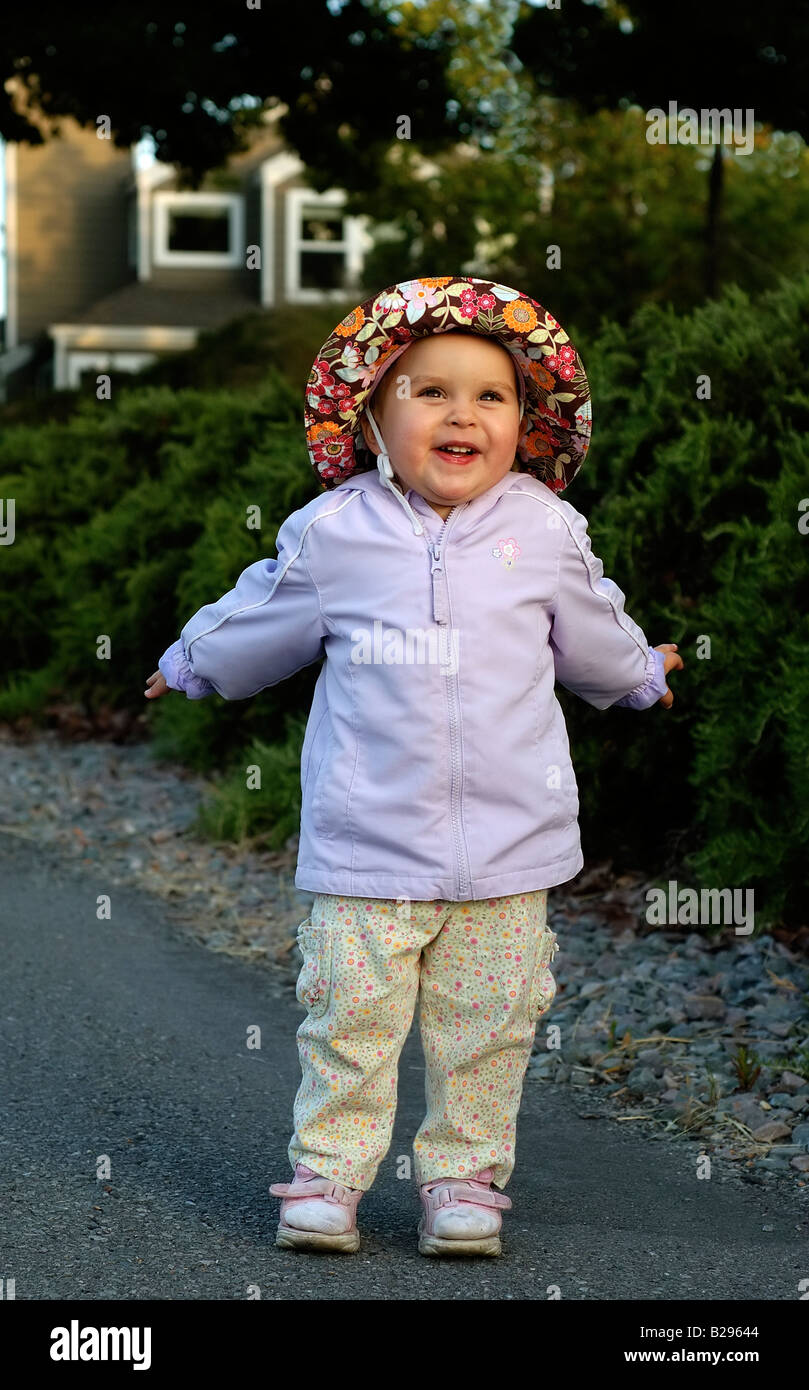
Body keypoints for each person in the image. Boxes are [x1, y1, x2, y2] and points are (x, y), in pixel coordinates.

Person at [144, 275, 683, 1258]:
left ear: (528, 421)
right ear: (372, 415)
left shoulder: (544, 531)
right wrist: (192, 661)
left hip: (508, 849)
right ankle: (328, 1178)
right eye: (427, 391)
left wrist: (640, 675)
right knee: (348, 1017)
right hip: (364, 845)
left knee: (487, 1025)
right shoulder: (335, 531)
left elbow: (592, 634)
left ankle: (461, 1181)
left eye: (489, 395)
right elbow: (261, 615)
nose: (460, 413)